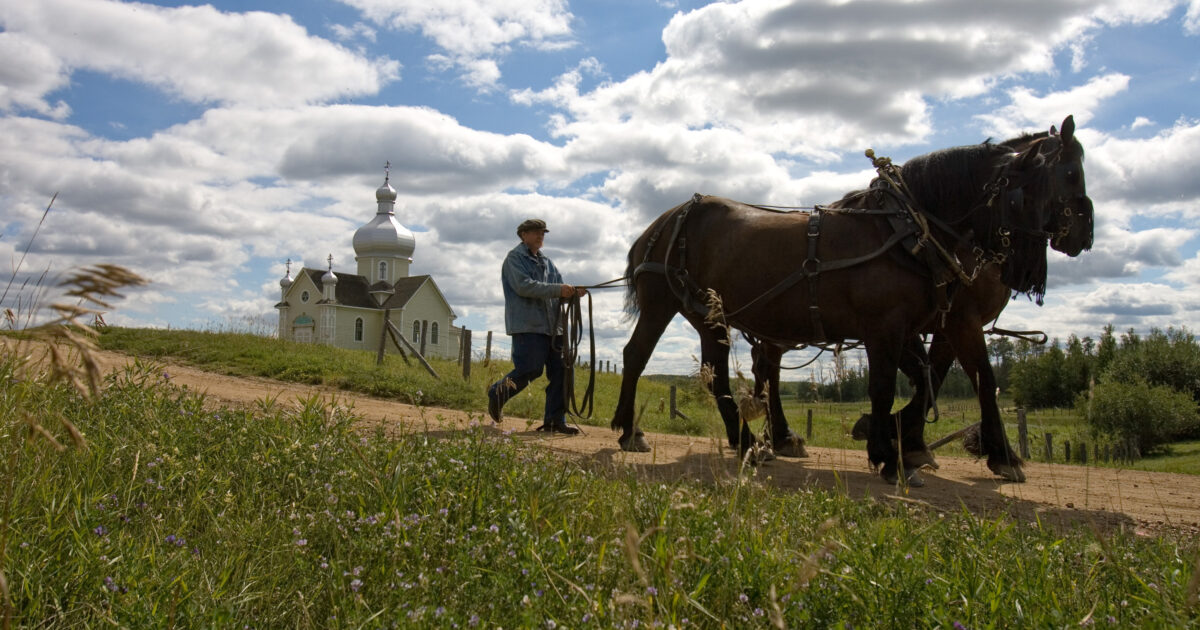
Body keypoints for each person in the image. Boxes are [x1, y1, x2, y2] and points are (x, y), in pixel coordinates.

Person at [486, 218, 587, 434]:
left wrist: (571, 294)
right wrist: (559, 290)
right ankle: (497, 393)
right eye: (535, 232)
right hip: (528, 325)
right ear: (523, 235)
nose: (540, 236)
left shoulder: (547, 262)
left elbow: (557, 291)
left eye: (542, 233)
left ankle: (554, 421)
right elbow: (524, 287)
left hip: (554, 327)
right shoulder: (514, 259)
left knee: (563, 371)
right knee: (530, 368)